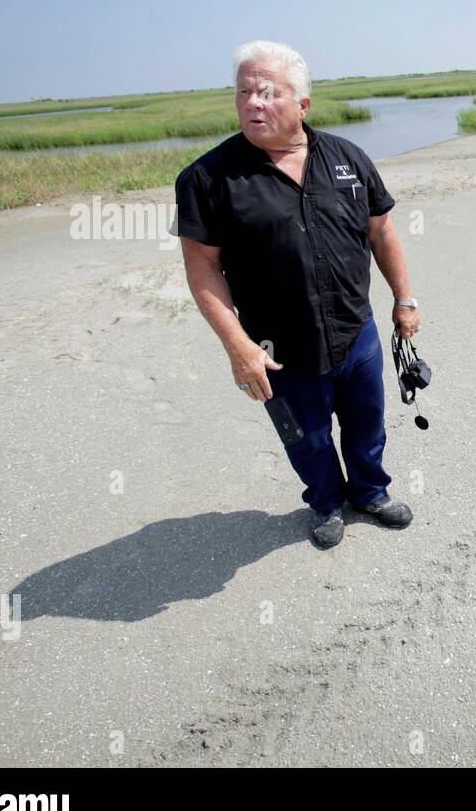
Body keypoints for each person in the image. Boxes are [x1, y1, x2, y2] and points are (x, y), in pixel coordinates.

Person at [173, 40, 420, 549]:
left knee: (367, 423)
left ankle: (371, 491)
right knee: (305, 438)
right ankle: (327, 503)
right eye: (244, 93)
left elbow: (382, 232)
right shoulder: (206, 179)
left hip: (358, 333)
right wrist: (238, 348)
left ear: (302, 104)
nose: (252, 103)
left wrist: (404, 299)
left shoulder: (348, 158)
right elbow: (203, 270)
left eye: (267, 93)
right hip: (277, 351)